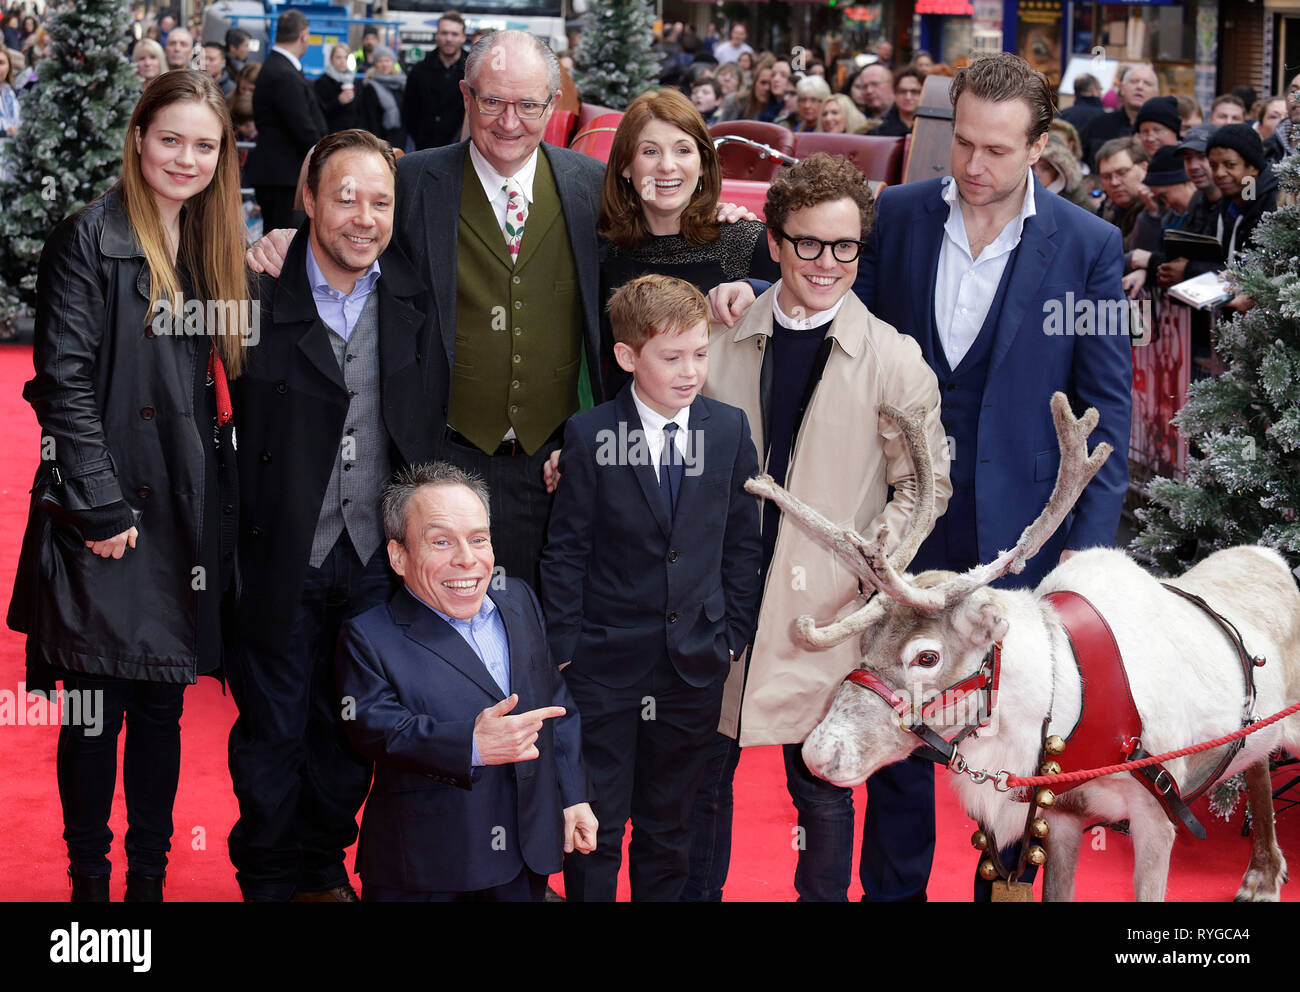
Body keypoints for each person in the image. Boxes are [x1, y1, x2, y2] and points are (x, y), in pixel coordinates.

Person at [710, 55, 1131, 900]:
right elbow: (825, 283)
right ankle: (895, 894)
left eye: (999, 151)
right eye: (962, 143)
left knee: (1016, 745)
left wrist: (1078, 578)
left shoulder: (1091, 247)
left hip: (1015, 553)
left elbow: (1109, 419)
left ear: (1039, 147)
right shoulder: (895, 217)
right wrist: (749, 287)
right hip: (899, 533)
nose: (974, 167)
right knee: (894, 726)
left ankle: (1003, 892)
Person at [7, 69, 252, 903]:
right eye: (170, 139)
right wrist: (98, 503)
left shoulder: (215, 244)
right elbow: (62, 383)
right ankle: (88, 885)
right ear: (139, 139)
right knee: (92, 713)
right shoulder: (91, 237)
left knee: (160, 712)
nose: (186, 158)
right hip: (113, 519)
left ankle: (145, 885)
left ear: (224, 157)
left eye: (205, 145)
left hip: (186, 512)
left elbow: (220, 382)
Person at [703, 152, 951, 902]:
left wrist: (870, 572)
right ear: (774, 241)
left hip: (828, 613)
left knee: (823, 786)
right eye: (808, 243)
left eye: (845, 247)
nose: (827, 263)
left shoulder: (896, 361)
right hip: (718, 598)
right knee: (699, 782)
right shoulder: (718, 335)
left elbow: (923, 489)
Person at [226, 128, 442, 902]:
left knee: (351, 727)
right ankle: (269, 876)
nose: (363, 216)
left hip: (373, 559)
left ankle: (322, 867)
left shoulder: (414, 296)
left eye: (379, 200)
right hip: (281, 554)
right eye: (344, 195)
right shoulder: (253, 294)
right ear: (308, 199)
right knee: (274, 729)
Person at [540, 274, 761, 902]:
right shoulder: (589, 434)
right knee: (597, 826)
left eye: (699, 352)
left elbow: (743, 543)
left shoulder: (728, 430)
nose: (690, 371)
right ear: (627, 357)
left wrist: (731, 638)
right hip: (603, 667)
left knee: (671, 826)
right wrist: (565, 650)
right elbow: (566, 552)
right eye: (671, 357)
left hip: (694, 665)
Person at [337, 462, 597, 900]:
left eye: (479, 538)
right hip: (428, 867)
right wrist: (472, 745)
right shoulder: (368, 635)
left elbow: (555, 704)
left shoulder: (518, 599)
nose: (466, 558)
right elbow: (376, 730)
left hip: (526, 852)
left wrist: (572, 797)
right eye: (441, 542)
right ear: (398, 556)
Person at [598, 88, 779, 395]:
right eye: (650, 151)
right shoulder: (603, 251)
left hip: (727, 434)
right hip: (624, 435)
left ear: (704, 163)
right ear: (626, 167)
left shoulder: (744, 241)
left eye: (683, 150)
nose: (667, 166)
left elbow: (802, 311)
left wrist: (757, 289)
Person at [244, 9, 326, 232]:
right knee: (284, 244)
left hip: (282, 173)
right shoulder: (283, 73)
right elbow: (303, 127)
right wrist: (325, 154)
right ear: (304, 35)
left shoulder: (278, 67)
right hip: (284, 176)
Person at [1207, 123, 1278, 269]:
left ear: (1253, 167)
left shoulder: (1274, 206)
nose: (1219, 173)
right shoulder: (1229, 201)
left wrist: (1189, 269)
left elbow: (1261, 271)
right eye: (1213, 166)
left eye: (1230, 165)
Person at [404, 11, 466, 151]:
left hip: (461, 149)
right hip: (425, 149)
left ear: (462, 37)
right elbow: (409, 110)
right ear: (437, 35)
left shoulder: (473, 71)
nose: (449, 39)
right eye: (444, 33)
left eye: (454, 34)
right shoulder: (419, 70)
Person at [1080, 61, 1157, 171]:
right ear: (1122, 89)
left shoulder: (1162, 130)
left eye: (1147, 83)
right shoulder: (1099, 124)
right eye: (1134, 81)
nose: (1140, 86)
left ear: (1156, 93)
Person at [1096, 136, 1149, 246]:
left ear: (1145, 168)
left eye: (1122, 172)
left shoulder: (1161, 208)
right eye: (1106, 176)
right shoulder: (1106, 210)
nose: (1114, 182)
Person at [358, 45, 408, 151]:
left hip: (401, 138)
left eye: (387, 60)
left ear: (393, 63)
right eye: (380, 61)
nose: (384, 64)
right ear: (376, 64)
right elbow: (369, 118)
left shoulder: (401, 83)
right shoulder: (370, 87)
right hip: (380, 141)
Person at [315, 43, 359, 133]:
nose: (343, 61)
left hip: (353, 135)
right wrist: (338, 101)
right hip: (331, 134)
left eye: (346, 57)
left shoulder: (355, 81)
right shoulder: (322, 82)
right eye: (338, 57)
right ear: (331, 60)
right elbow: (319, 111)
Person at [869, 66, 922, 135]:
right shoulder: (878, 132)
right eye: (902, 91)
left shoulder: (933, 129)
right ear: (894, 94)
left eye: (914, 91)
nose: (908, 97)